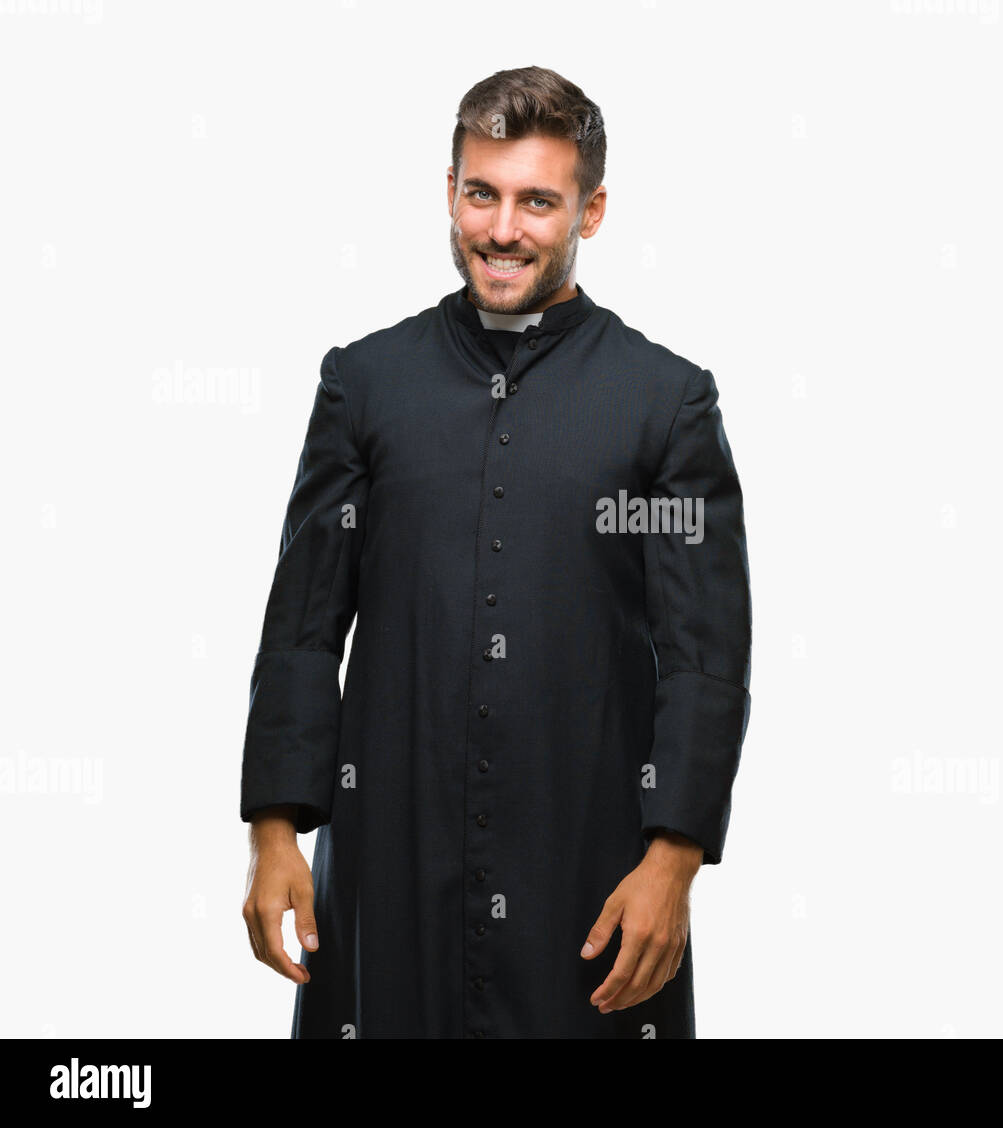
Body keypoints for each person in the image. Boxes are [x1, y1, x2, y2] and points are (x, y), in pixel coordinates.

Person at [239, 66, 752, 1038]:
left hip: (587, 882)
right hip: (390, 881)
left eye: (537, 201)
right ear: (449, 191)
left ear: (590, 211)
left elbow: (702, 656)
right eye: (482, 194)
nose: (503, 229)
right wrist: (275, 832)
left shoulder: (664, 405)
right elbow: (303, 625)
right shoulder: (364, 385)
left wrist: (672, 864)